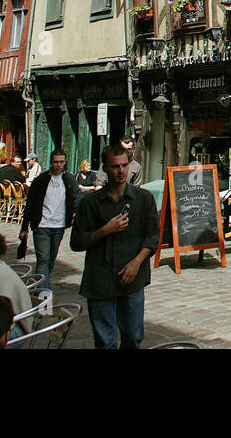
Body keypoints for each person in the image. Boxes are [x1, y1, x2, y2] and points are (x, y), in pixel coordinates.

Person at [69, 144, 158, 349]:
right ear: (105, 168)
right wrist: (105, 230)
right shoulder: (90, 203)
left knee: (134, 336)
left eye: (124, 166)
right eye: (115, 166)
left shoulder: (143, 199)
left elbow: (152, 236)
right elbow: (76, 242)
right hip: (100, 279)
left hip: (132, 279)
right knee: (105, 342)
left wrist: (137, 263)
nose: (121, 171)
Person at [18, 148, 79, 292]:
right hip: (42, 225)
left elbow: (76, 200)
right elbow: (30, 204)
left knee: (50, 261)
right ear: (51, 162)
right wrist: (24, 227)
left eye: (61, 162)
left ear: (65, 163)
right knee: (43, 259)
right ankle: (43, 294)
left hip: (59, 226)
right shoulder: (42, 180)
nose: (58, 165)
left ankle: (38, 285)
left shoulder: (69, 180)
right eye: (56, 162)